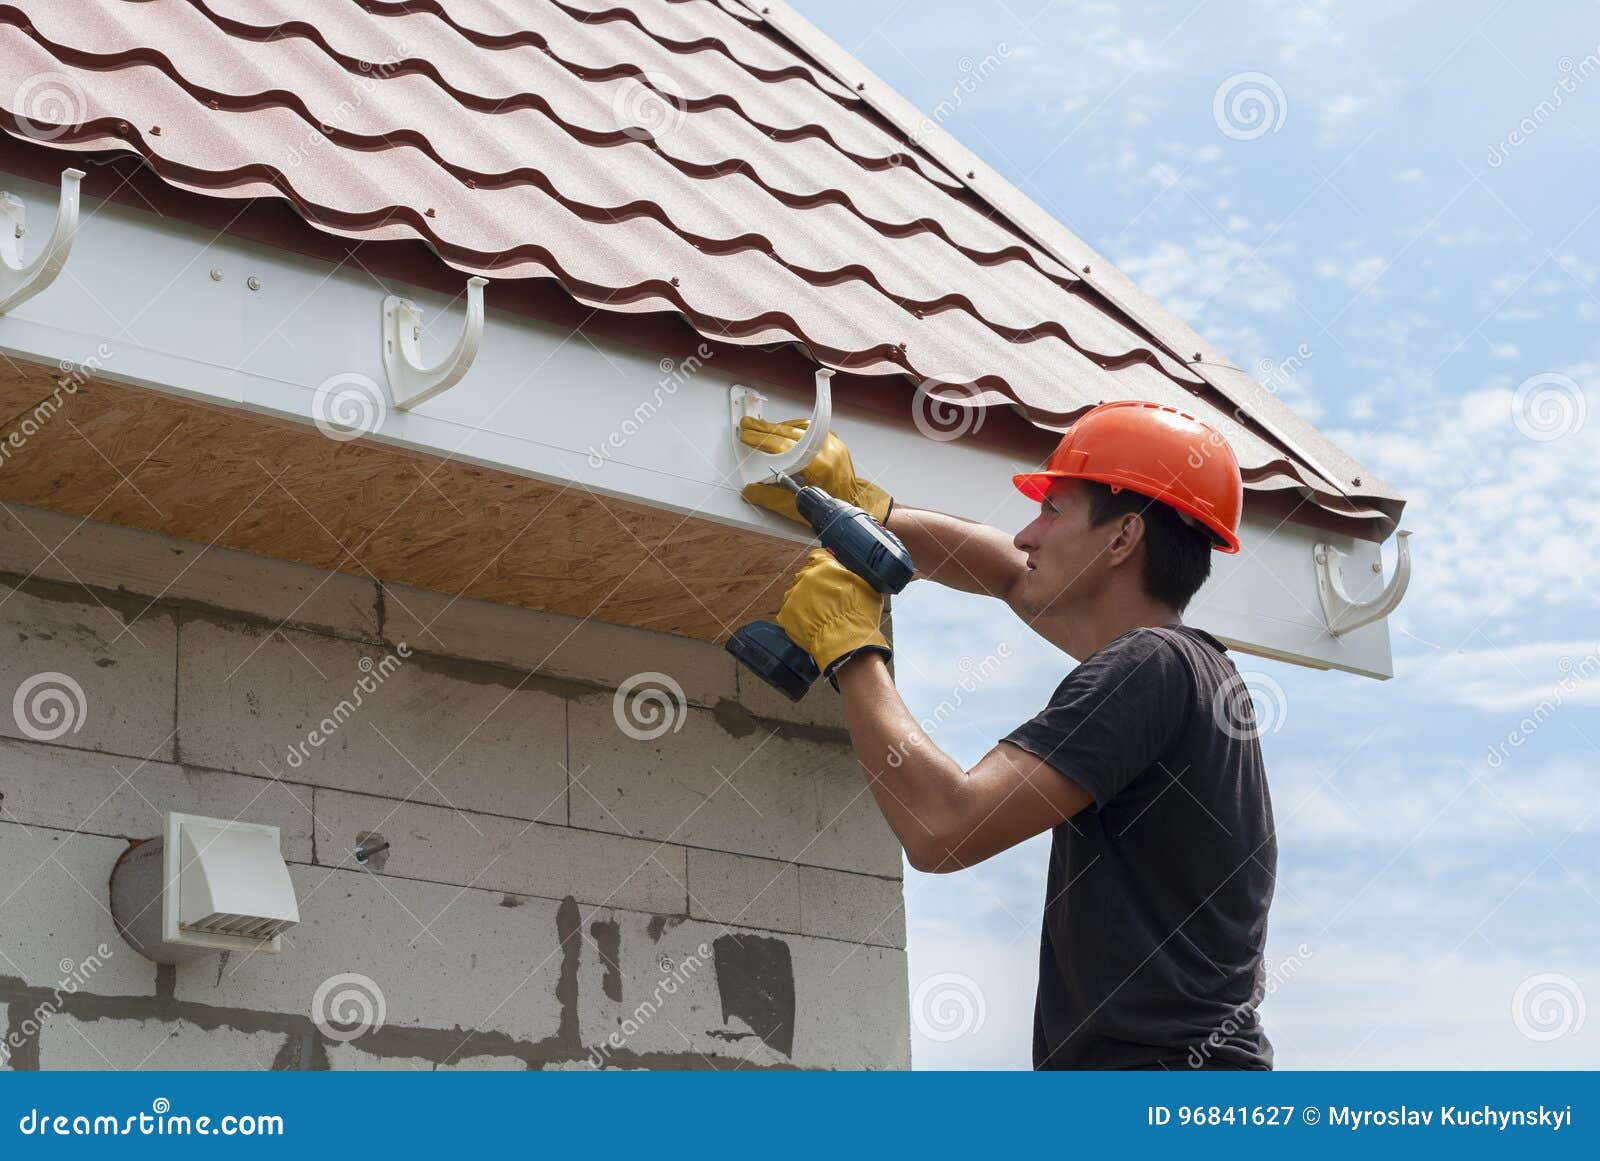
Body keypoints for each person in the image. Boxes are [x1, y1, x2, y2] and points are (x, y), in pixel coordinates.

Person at [739, 400, 1276, 1070]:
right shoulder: (1194, 674)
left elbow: (943, 825)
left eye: (1053, 511)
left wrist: (850, 648)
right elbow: (1004, 573)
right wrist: (856, 512)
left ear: (1122, 538)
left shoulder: (1147, 667)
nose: (1026, 534)